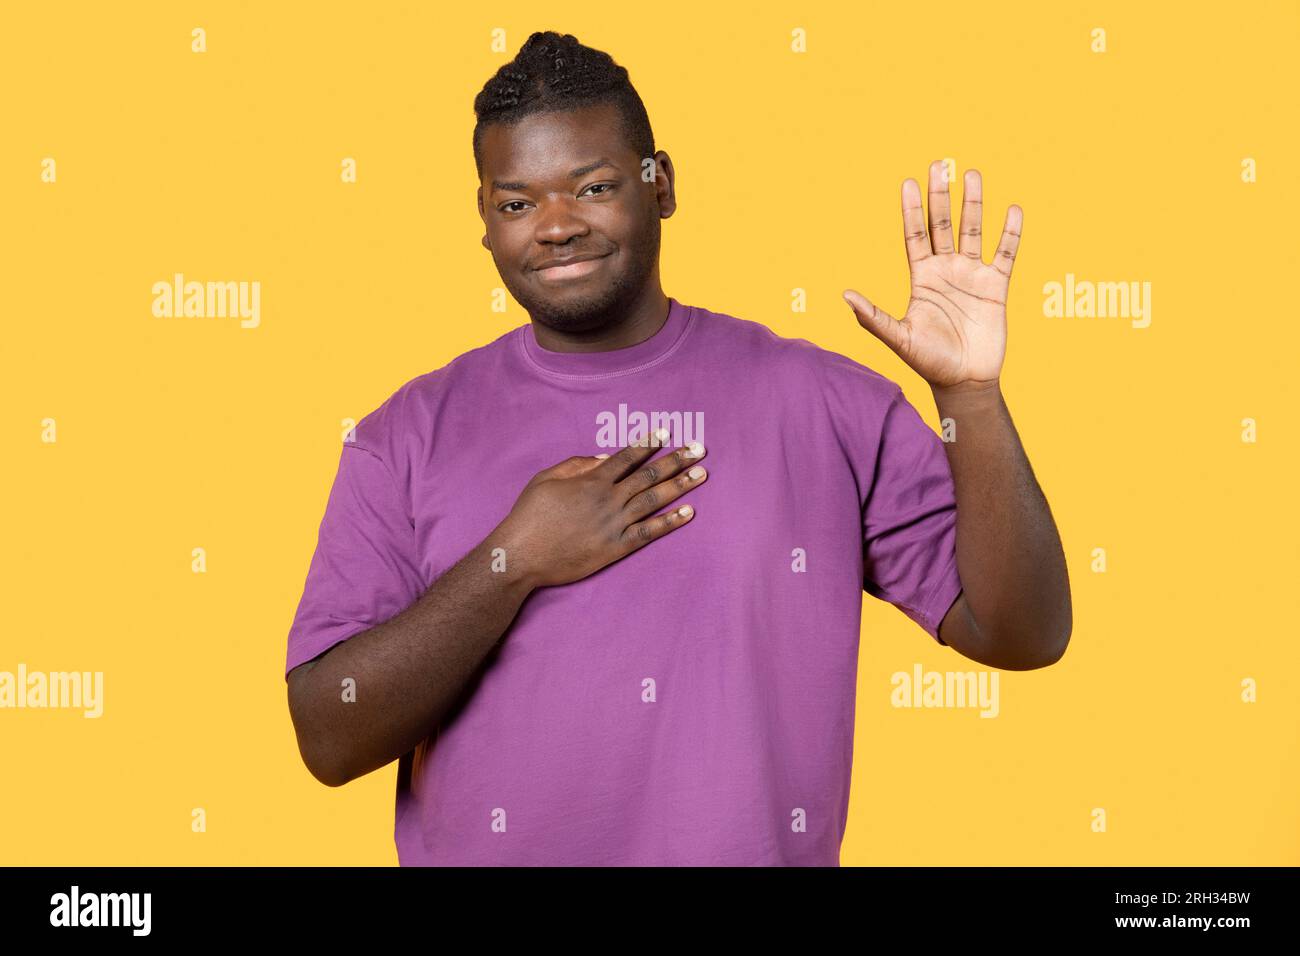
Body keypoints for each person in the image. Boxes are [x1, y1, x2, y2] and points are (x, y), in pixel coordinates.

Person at [283, 31, 1071, 866]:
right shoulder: (402, 436)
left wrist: (970, 399)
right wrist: (514, 559)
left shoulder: (822, 402)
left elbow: (1024, 634)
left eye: (591, 187)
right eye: (517, 203)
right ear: (483, 222)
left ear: (661, 185)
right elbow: (328, 738)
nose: (554, 226)